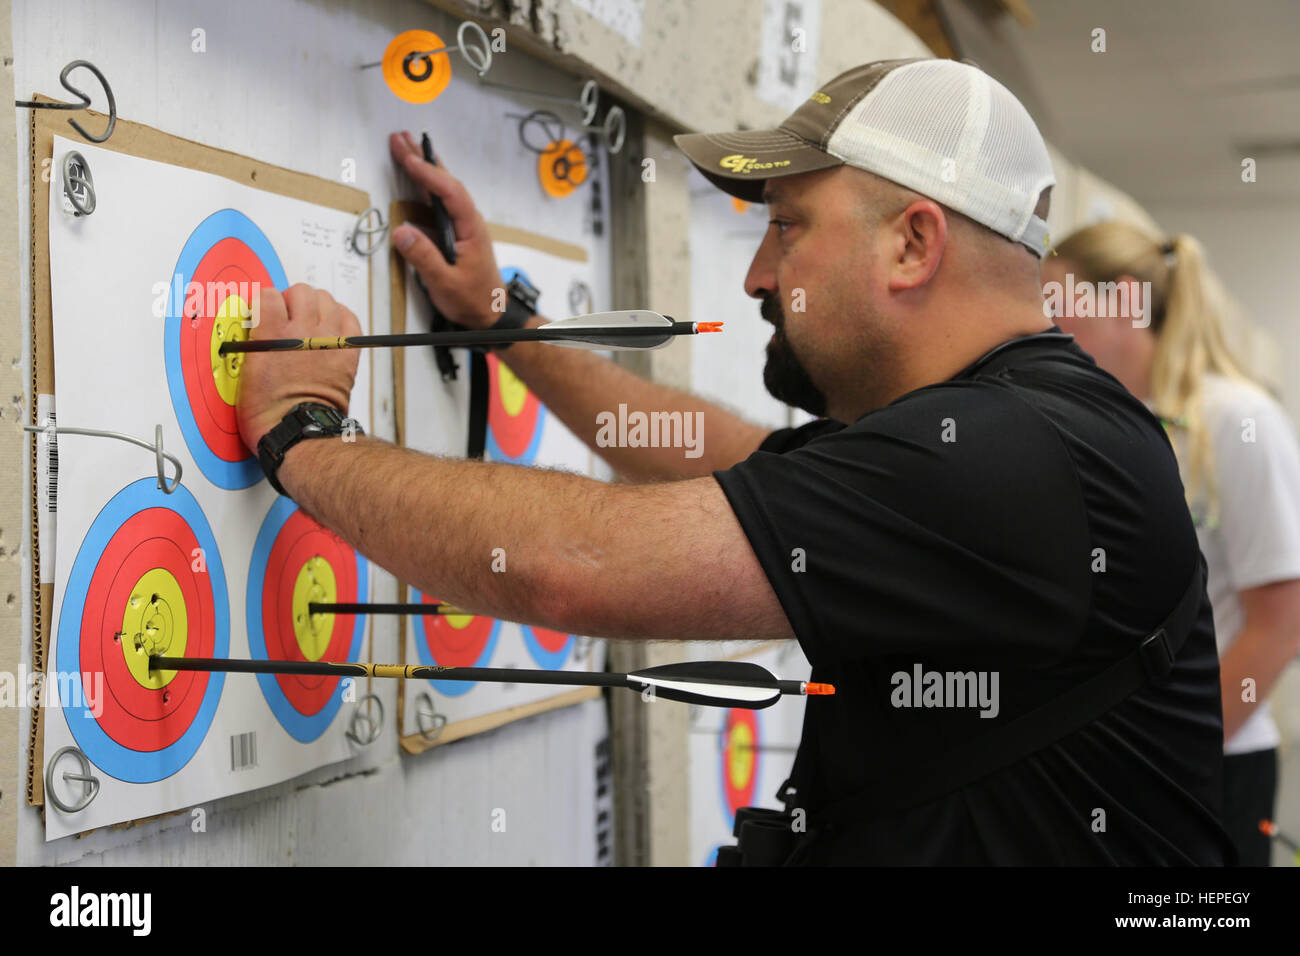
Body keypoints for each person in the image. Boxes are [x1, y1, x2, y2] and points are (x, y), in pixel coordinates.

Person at [236, 58, 1232, 864]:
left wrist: (303, 432)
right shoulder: (1008, 425)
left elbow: (571, 563)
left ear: (910, 245)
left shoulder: (1008, 459)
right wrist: (504, 328)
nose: (758, 273)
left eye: (786, 225)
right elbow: (718, 462)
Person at [1042, 222, 1300, 865]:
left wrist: (1177, 748)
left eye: (1056, 304)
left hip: (1207, 764)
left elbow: (1284, 619)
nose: (1042, 326)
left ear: (1123, 299)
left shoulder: (1237, 421)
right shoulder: (1104, 425)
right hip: (1113, 762)